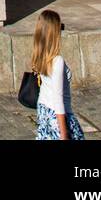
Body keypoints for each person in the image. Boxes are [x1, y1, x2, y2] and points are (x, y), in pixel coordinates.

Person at [31, 9, 84, 141]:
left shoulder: (40, 55)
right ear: (54, 32)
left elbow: (44, 90)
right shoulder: (57, 61)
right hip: (58, 117)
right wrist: (64, 134)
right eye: (60, 27)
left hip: (44, 111)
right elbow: (58, 99)